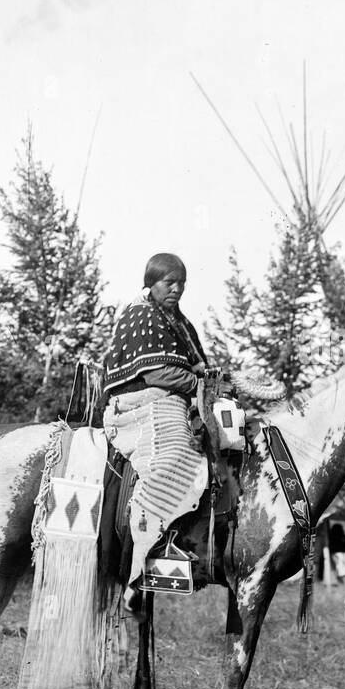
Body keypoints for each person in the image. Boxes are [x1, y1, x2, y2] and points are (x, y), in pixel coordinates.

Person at [102, 252, 210, 607]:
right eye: (169, 282)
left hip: (173, 399)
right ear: (151, 282)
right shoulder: (141, 314)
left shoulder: (179, 321)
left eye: (182, 283)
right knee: (177, 453)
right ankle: (145, 559)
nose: (176, 289)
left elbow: (195, 368)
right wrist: (198, 382)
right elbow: (156, 373)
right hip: (138, 404)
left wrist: (208, 381)